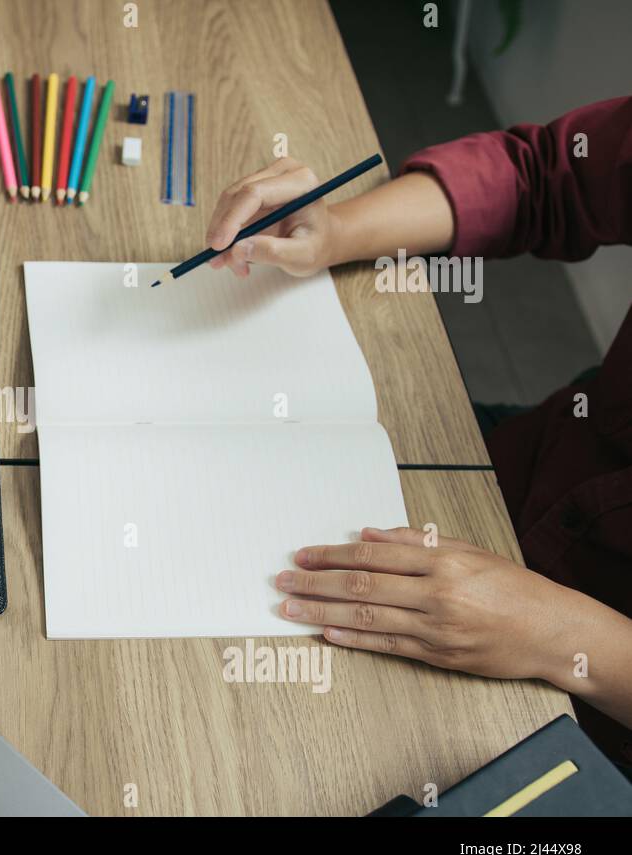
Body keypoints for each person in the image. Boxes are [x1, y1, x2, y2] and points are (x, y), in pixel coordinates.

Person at [204, 96, 632, 764]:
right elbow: (548, 176)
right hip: (513, 469)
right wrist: (338, 232)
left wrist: (562, 633)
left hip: (597, 721)